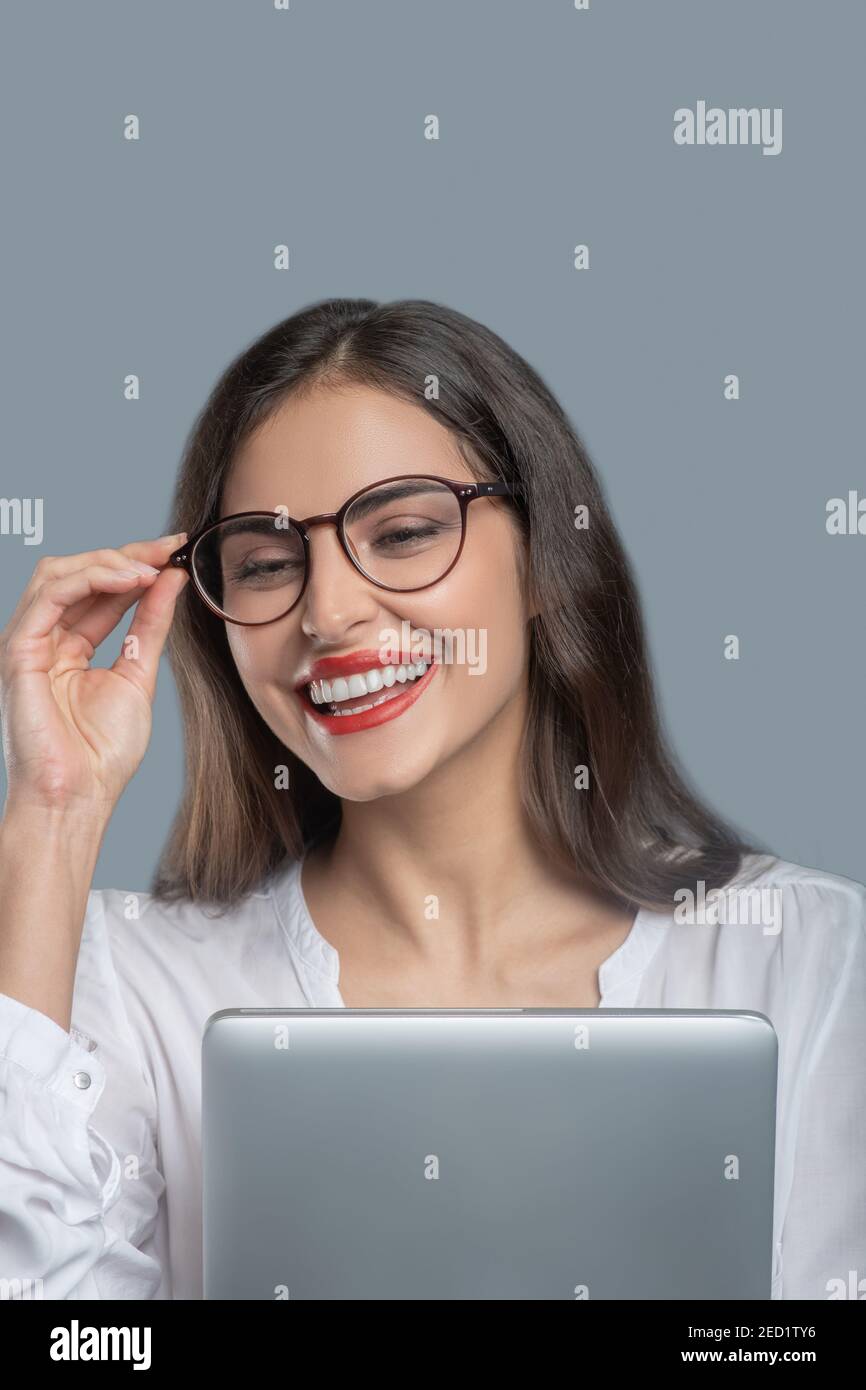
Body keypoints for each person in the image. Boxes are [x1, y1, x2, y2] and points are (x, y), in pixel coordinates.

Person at [0, 298, 863, 1300]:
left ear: (545, 558)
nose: (328, 612)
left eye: (403, 531)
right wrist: (53, 810)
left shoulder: (804, 956)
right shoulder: (119, 984)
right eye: (268, 564)